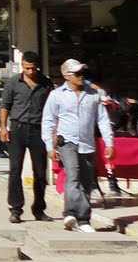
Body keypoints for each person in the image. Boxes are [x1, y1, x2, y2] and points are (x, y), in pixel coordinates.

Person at [42, 58, 114, 230]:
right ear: (67, 76)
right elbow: (48, 121)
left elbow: (102, 120)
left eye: (83, 73)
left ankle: (83, 219)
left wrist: (109, 142)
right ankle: (70, 213)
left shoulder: (93, 95)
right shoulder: (57, 95)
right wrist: (49, 147)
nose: (82, 77)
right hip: (67, 142)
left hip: (88, 144)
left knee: (86, 181)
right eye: (78, 73)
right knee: (73, 175)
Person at [0, 51, 53, 224]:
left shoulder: (46, 83)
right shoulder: (13, 82)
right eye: (26, 68)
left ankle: (39, 208)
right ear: (22, 65)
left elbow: (52, 108)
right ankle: (15, 209)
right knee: (15, 169)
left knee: (40, 171)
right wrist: (3, 128)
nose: (29, 71)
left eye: (32, 68)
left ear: (37, 67)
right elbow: (5, 106)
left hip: (38, 130)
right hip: (17, 129)